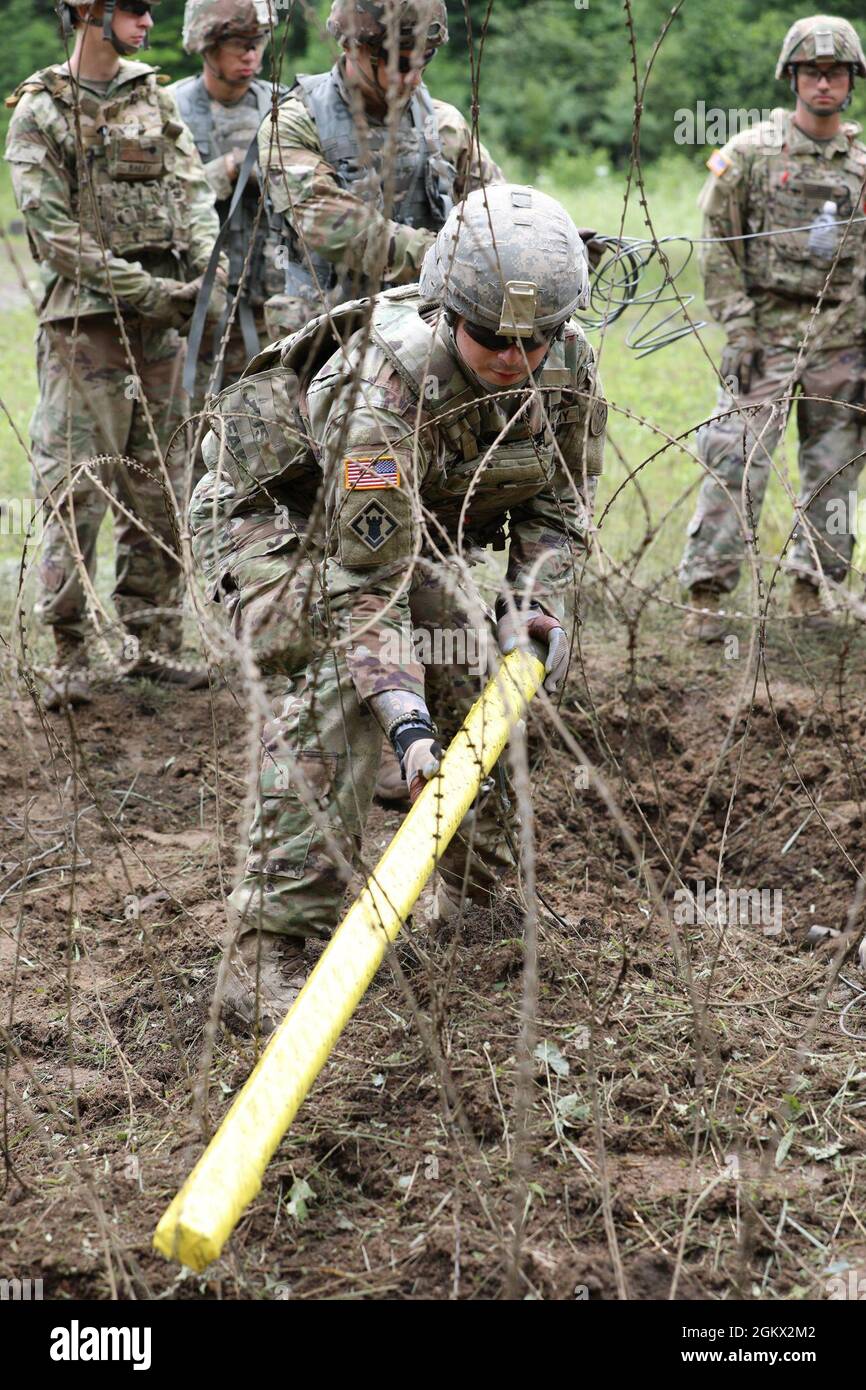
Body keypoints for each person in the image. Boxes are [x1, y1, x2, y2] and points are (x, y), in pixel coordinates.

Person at [188, 184, 607, 1033]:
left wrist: (536, 602)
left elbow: (559, 508)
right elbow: (362, 589)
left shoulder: (567, 364)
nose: (513, 358)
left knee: (477, 672)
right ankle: (269, 947)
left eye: (535, 340)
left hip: (400, 536)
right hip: (277, 520)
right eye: (491, 337)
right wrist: (406, 722)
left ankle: (480, 905)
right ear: (448, 310)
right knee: (340, 683)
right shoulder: (384, 390)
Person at [5, 0, 225, 707]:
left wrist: (206, 269)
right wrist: (149, 289)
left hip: (160, 331)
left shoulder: (151, 96)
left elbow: (191, 192)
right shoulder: (39, 110)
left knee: (159, 486)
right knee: (75, 489)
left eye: (150, 8)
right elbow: (52, 233)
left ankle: (153, 640)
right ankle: (70, 652)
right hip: (86, 331)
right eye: (132, 8)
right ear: (85, 13)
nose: (148, 20)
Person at [679, 14, 866, 640]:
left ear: (851, 80)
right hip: (762, 334)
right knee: (735, 458)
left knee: (836, 469)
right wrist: (739, 330)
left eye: (834, 72)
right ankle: (708, 591)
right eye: (812, 71)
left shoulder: (863, 166)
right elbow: (718, 245)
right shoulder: (751, 155)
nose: (823, 83)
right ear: (791, 76)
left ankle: (813, 588)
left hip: (842, 339)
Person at [258, 0, 505, 343]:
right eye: (401, 62)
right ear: (352, 46)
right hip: (327, 338)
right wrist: (444, 257)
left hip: (423, 333)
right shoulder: (295, 123)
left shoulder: (444, 124)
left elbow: (495, 212)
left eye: (425, 59)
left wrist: (536, 246)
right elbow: (331, 226)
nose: (415, 79)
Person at [169, 0, 286, 409]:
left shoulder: (282, 108)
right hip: (199, 295)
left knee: (269, 417)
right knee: (193, 420)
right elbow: (160, 198)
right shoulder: (172, 109)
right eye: (239, 43)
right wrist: (229, 169)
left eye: (257, 42)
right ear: (207, 45)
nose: (251, 53)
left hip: (267, 295)